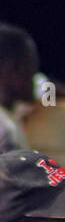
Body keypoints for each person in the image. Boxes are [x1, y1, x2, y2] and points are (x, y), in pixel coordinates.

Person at [0, 24, 36, 154]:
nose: (35, 77)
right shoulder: (5, 130)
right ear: (15, 68)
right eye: (32, 65)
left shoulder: (9, 116)